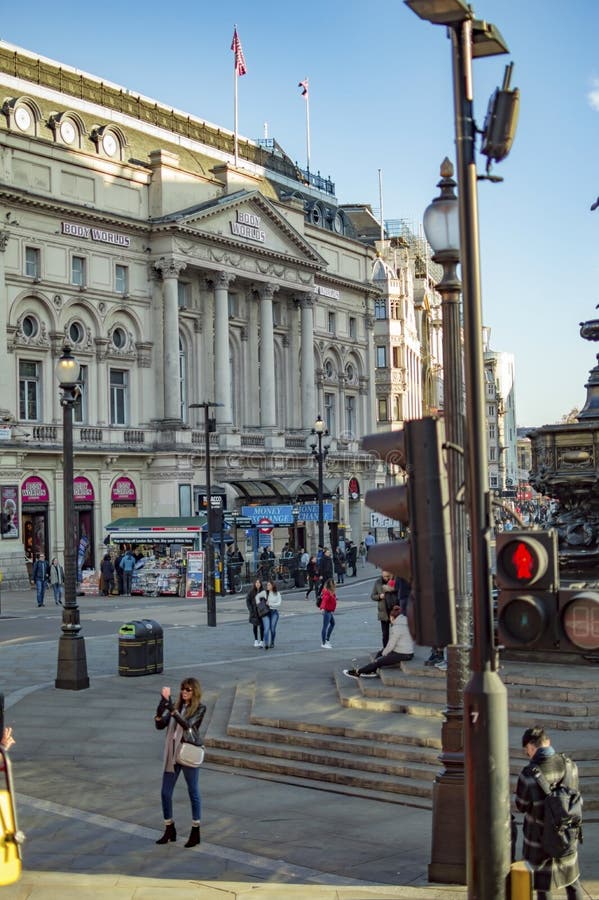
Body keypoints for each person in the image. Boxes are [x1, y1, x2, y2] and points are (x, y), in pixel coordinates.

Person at [515, 726, 583, 900]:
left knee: (543, 888)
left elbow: (521, 805)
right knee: (573, 883)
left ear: (530, 747)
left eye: (526, 752)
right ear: (548, 742)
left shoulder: (528, 775)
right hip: (566, 836)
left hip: (539, 839)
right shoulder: (570, 766)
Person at [154, 677, 206, 849]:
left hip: (187, 753)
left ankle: (195, 831)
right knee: (165, 793)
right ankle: (170, 828)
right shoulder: (176, 706)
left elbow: (188, 725)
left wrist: (172, 709)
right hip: (172, 754)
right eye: (183, 688)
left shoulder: (200, 708)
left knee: (193, 792)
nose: (184, 692)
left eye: (188, 689)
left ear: (195, 692)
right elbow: (160, 726)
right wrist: (161, 708)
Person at [344, 605, 414, 679]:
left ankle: (358, 672)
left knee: (379, 661)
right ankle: (372, 670)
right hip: (406, 651)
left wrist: (384, 653)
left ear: (393, 618)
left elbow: (391, 645)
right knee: (379, 653)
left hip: (403, 654)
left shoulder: (397, 628)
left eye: (390, 618)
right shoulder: (406, 623)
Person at [371, 570, 397, 651]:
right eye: (385, 576)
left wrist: (392, 590)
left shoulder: (394, 581)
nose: (386, 578)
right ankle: (386, 649)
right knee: (385, 634)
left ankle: (395, 649)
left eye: (388, 576)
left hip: (394, 611)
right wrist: (379, 596)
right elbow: (372, 596)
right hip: (383, 612)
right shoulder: (378, 582)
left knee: (395, 633)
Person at [261, 579, 282, 650]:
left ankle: (272, 641)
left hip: (274, 613)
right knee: (266, 629)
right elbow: (257, 598)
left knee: (272, 629)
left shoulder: (277, 594)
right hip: (266, 613)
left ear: (272, 586)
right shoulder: (265, 593)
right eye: (267, 585)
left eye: (269, 585)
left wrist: (270, 604)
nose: (267, 586)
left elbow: (278, 604)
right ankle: (266, 644)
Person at [246, 578, 265, 647]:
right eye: (256, 583)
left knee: (262, 627)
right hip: (254, 612)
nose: (257, 584)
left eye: (259, 583)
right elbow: (248, 600)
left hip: (261, 612)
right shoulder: (251, 592)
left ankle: (262, 641)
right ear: (254, 584)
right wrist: (251, 609)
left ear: (260, 584)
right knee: (255, 626)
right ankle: (256, 640)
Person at [319, 578, 337, 649]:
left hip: (329, 611)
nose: (335, 584)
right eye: (334, 583)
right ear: (331, 585)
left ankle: (327, 639)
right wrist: (323, 608)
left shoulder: (331, 592)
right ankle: (324, 643)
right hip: (327, 611)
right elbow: (324, 601)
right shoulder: (327, 593)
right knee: (325, 627)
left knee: (333, 623)